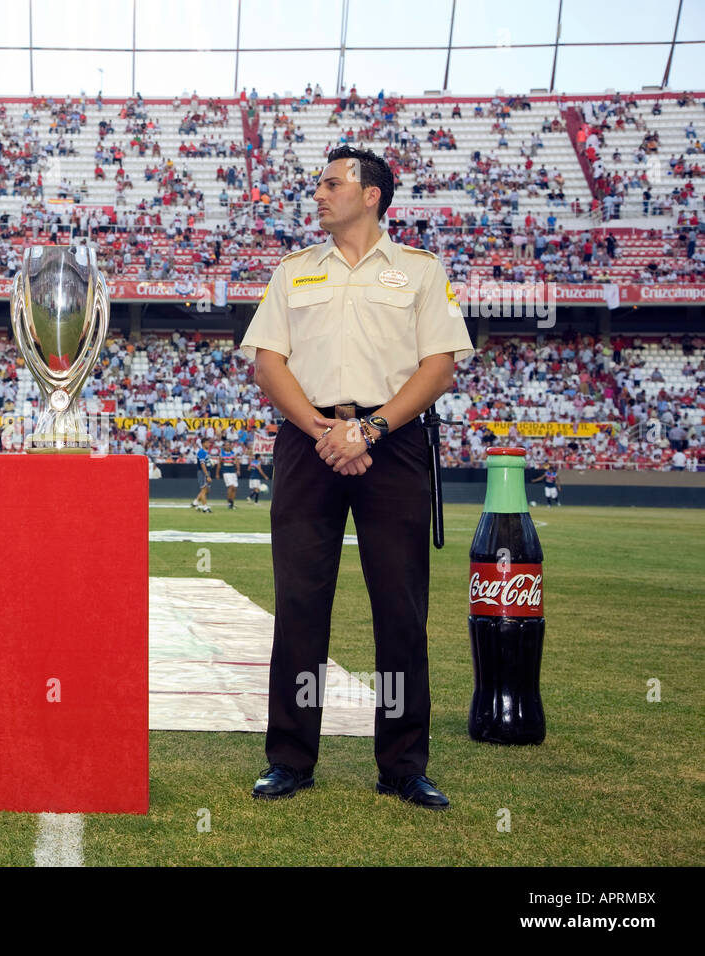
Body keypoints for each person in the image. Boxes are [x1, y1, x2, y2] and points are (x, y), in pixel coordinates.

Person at [238, 145, 474, 810]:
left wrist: (368, 431)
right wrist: (322, 430)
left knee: (399, 609)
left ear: (372, 195)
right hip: (307, 441)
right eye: (318, 184)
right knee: (300, 604)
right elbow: (268, 364)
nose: (319, 193)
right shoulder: (292, 272)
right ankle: (289, 758)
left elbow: (438, 367)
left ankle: (402, 764)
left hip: (391, 444)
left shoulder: (421, 272)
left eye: (332, 183)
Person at [191, 439, 213, 512]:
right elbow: (202, 464)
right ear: (203, 444)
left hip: (206, 471)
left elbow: (206, 463)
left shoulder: (206, 452)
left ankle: (196, 502)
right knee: (203, 490)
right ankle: (205, 507)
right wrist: (207, 475)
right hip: (202, 472)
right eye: (207, 443)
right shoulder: (201, 452)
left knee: (207, 490)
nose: (209, 444)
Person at [220, 440, 241, 508]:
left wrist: (238, 470)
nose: (227, 446)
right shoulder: (222, 453)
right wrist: (217, 473)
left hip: (233, 472)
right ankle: (229, 502)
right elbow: (219, 464)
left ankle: (232, 503)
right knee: (231, 486)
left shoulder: (233, 453)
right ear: (224, 446)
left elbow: (237, 462)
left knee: (235, 488)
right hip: (226, 472)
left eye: (228, 445)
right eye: (226, 445)